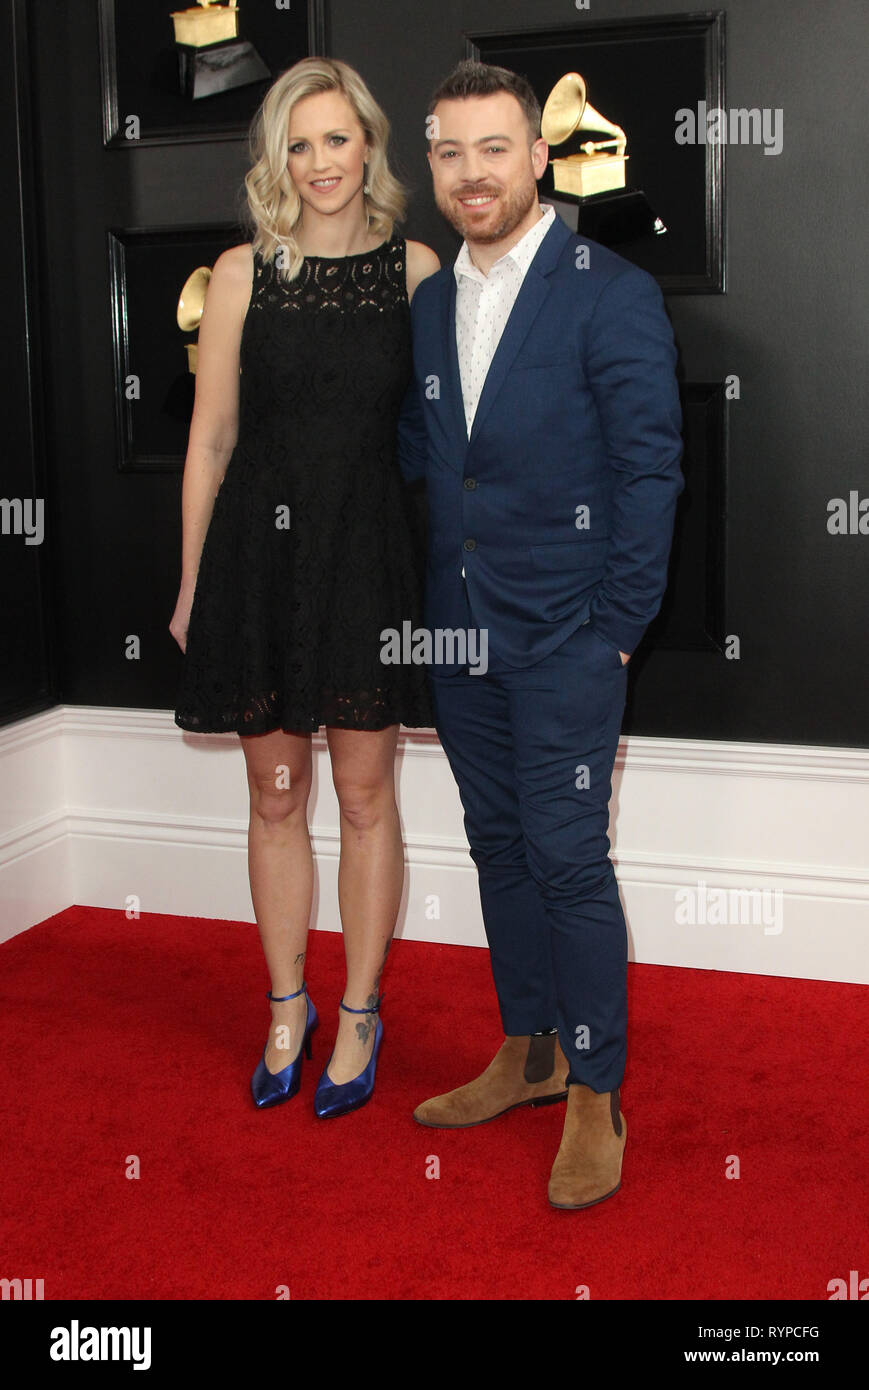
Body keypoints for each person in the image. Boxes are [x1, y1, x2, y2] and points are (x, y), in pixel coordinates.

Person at [398, 60, 683, 1207]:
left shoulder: (606, 289)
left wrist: (615, 625)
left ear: (536, 157)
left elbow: (649, 467)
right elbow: (432, 464)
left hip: (568, 634)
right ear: (433, 166)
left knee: (566, 857)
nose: (473, 174)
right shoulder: (427, 305)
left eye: (493, 149)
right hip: (459, 632)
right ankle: (528, 1050)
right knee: (496, 843)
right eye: (451, 153)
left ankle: (594, 1085)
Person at [170, 57, 440, 1119]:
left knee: (366, 796)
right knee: (275, 794)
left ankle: (361, 1010)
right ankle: (288, 1004)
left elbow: (437, 436)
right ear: (275, 158)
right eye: (298, 143)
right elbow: (210, 441)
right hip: (258, 555)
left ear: (368, 143)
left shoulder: (414, 269)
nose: (319, 162)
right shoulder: (242, 272)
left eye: (336, 138)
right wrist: (194, 582)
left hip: (368, 553)